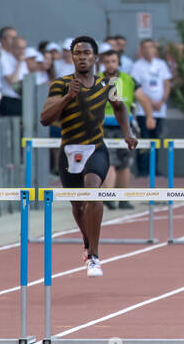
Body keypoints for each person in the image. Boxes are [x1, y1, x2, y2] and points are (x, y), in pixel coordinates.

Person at [40, 37, 139, 277]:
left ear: (95, 57)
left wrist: (128, 132)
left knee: (93, 190)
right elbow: (45, 119)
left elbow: (120, 107)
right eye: (77, 53)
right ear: (72, 57)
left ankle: (94, 255)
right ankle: (87, 242)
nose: (82, 57)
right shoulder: (60, 84)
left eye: (86, 53)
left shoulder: (109, 83)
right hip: (69, 151)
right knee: (78, 205)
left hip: (95, 148)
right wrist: (67, 98)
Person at [99, 50, 155, 209]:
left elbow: (142, 98)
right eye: (107, 61)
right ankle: (108, 197)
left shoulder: (128, 80)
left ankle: (123, 199)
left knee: (124, 164)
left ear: (118, 63)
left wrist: (150, 116)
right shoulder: (95, 79)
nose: (110, 64)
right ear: (103, 63)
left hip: (124, 127)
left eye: (113, 61)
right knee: (108, 162)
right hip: (103, 127)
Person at [131, 39, 172, 176]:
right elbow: (136, 88)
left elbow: (166, 84)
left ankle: (154, 169)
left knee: (156, 141)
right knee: (143, 140)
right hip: (143, 111)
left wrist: (162, 100)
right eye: (146, 47)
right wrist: (149, 102)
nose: (149, 50)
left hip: (159, 110)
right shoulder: (137, 66)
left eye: (151, 47)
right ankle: (143, 170)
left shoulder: (161, 64)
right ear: (141, 50)